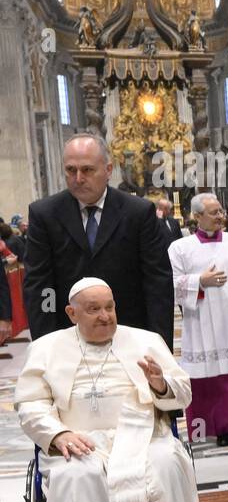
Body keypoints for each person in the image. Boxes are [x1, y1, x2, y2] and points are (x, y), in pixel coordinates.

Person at [16, 277, 204, 502]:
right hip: (79, 439)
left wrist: (160, 383)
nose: (105, 317)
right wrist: (58, 434)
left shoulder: (147, 340)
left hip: (143, 434)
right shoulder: (45, 348)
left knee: (162, 465)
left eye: (109, 307)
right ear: (72, 313)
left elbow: (183, 392)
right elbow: (30, 404)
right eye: (93, 310)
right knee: (77, 476)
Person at [24, 134, 172, 347]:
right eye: (70, 170)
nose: (78, 178)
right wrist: (45, 342)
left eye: (87, 170)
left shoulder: (138, 212)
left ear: (108, 170)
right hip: (67, 335)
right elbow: (41, 287)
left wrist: (159, 344)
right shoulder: (44, 214)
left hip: (129, 332)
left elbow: (157, 283)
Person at [168, 194, 228, 449]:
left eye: (221, 211)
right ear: (197, 216)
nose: (220, 216)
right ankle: (220, 429)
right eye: (213, 212)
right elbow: (170, 285)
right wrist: (200, 281)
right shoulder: (180, 248)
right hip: (202, 320)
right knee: (211, 378)